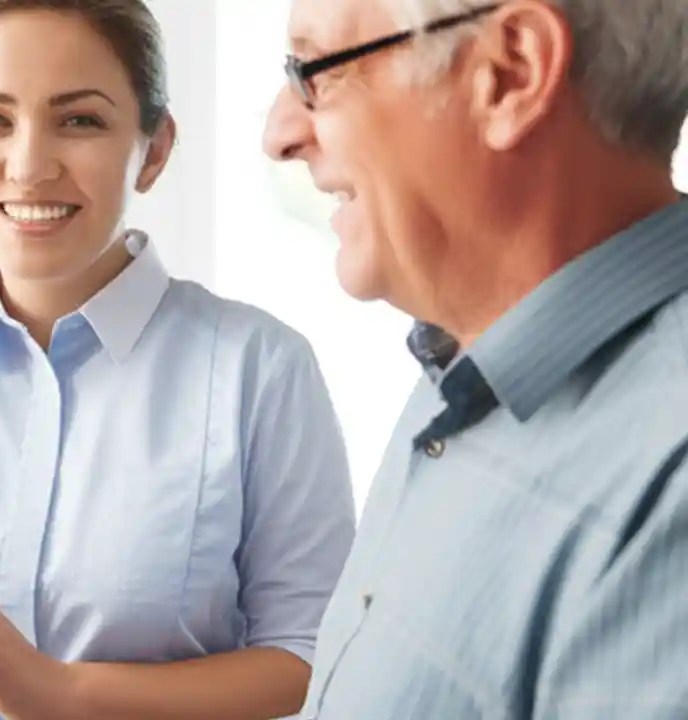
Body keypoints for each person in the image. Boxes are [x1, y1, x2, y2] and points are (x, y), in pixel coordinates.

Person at [0, 1, 357, 718]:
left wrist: (63, 694)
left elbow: (313, 657)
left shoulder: (257, 368)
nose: (28, 166)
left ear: (153, 150)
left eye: (79, 120)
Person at [263, 0, 688, 717]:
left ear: (511, 73)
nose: (281, 132)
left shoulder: (667, 487)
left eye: (317, 71)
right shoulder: (464, 362)